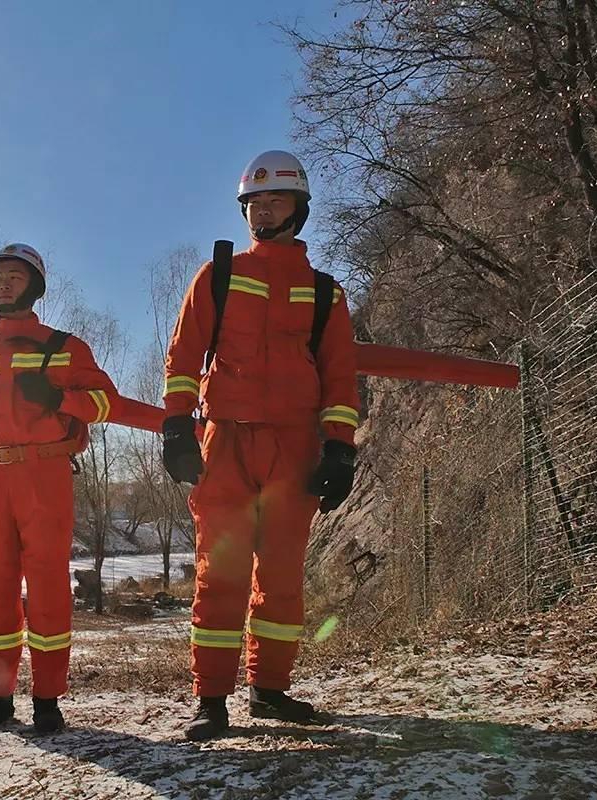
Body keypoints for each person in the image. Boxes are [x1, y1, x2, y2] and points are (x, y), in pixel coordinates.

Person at [161, 150, 361, 740]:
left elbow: (340, 379)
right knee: (217, 574)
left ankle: (270, 691)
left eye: (275, 201)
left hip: (295, 450)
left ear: (298, 210)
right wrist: (177, 427)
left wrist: (339, 448)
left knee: (280, 578)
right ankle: (212, 699)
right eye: (255, 202)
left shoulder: (326, 293)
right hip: (224, 442)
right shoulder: (217, 275)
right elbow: (182, 358)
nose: (263, 211)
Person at [0, 242, 121, 734]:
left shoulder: (64, 346)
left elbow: (104, 402)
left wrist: (60, 396)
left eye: (14, 276)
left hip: (45, 475)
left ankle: (49, 700)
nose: (4, 284)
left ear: (34, 285)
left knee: (49, 585)